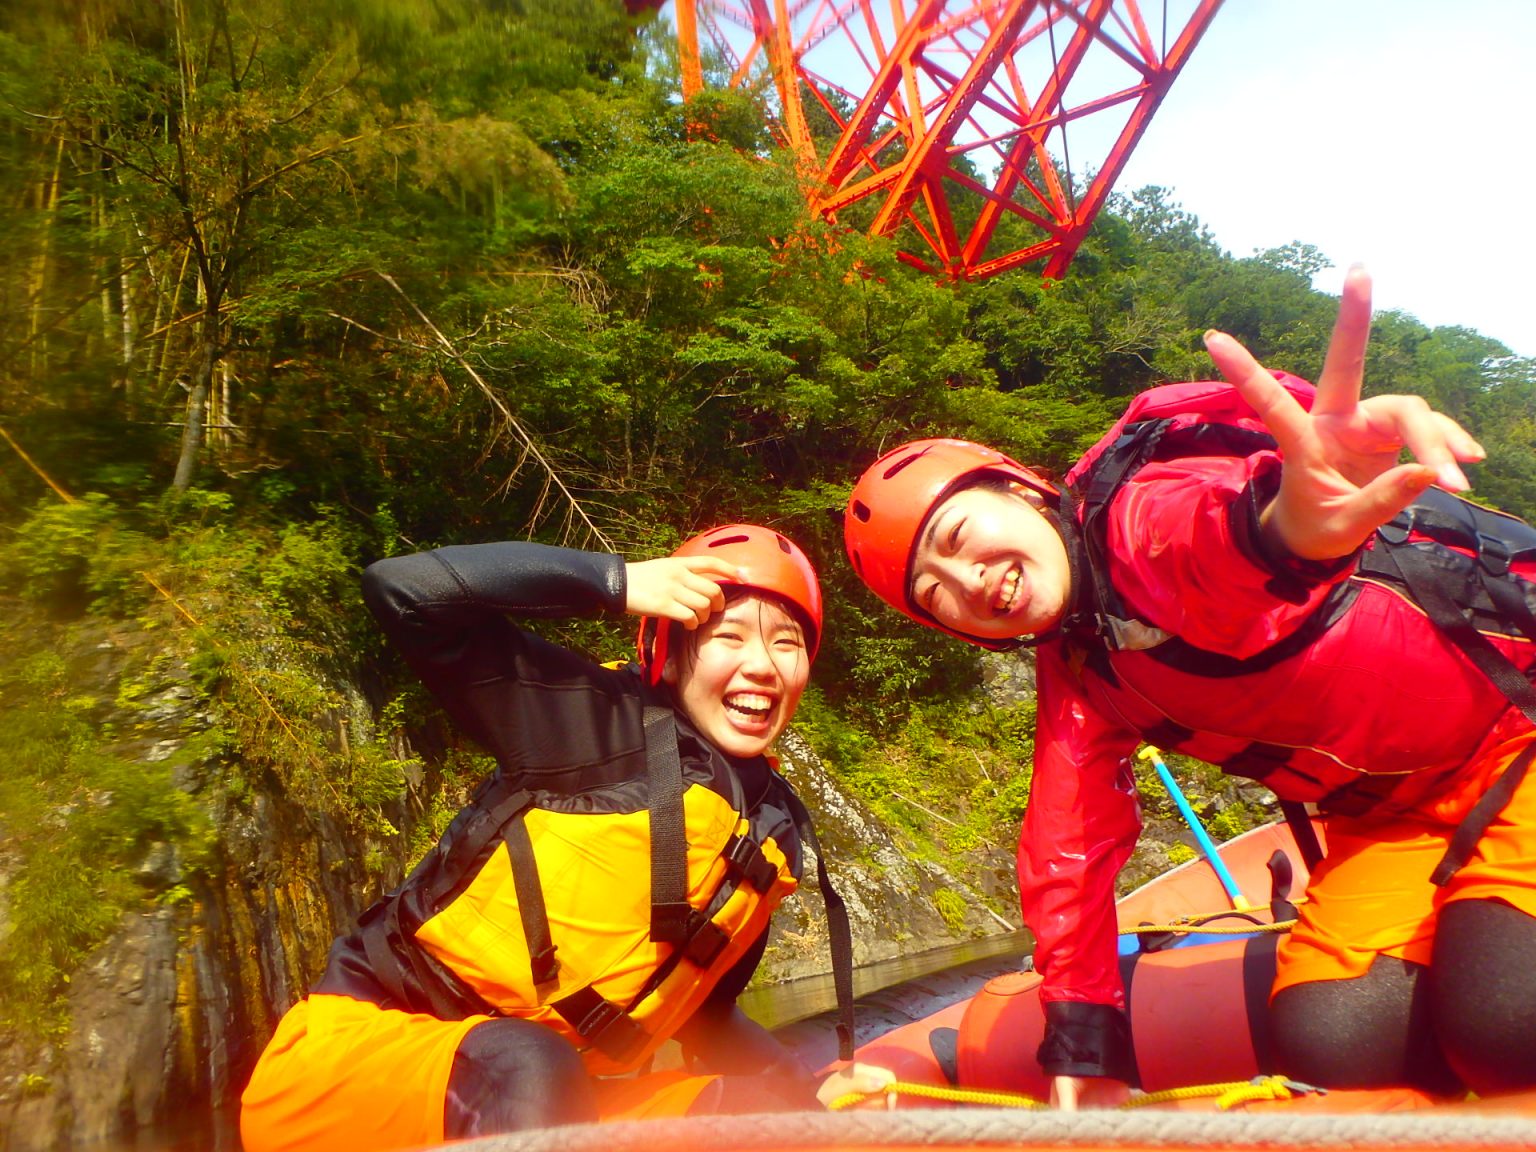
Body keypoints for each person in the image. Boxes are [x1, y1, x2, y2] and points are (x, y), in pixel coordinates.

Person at [842, 267, 1536, 1109]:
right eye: (934, 592)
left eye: (956, 534)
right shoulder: (1084, 671)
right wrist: (1081, 1046)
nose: (965, 579)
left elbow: (1202, 542)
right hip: (1393, 818)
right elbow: (1067, 849)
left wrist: (1282, 526)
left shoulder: (1138, 510)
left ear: (1023, 490)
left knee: (1505, 1021)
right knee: (1332, 1044)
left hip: (1519, 732)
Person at [241, 524, 836, 1151]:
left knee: (755, 1114)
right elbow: (402, 590)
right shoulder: (587, 722)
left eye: (786, 644)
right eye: (729, 637)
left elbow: (707, 1020)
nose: (762, 666)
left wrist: (805, 1096)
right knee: (530, 1063)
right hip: (351, 1067)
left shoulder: (770, 833)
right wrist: (614, 581)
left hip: (551, 1098)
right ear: (669, 650)